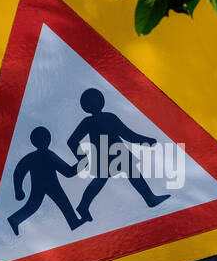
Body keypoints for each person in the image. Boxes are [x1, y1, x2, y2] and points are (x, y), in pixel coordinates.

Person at [67, 88, 171, 224]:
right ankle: (84, 205)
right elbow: (72, 141)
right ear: (87, 106)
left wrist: (145, 140)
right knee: (104, 179)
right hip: (110, 154)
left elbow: (128, 134)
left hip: (116, 153)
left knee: (114, 176)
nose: (96, 102)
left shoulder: (107, 117)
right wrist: (82, 159)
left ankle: (84, 206)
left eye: (97, 99)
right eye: (93, 100)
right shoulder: (95, 120)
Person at [7, 126, 82, 236]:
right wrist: (82, 164)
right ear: (48, 140)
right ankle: (73, 221)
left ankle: (15, 219)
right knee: (61, 202)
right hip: (51, 185)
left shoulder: (31, 157)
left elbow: (19, 172)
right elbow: (68, 172)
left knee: (33, 205)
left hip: (41, 185)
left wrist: (18, 190)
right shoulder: (48, 155)